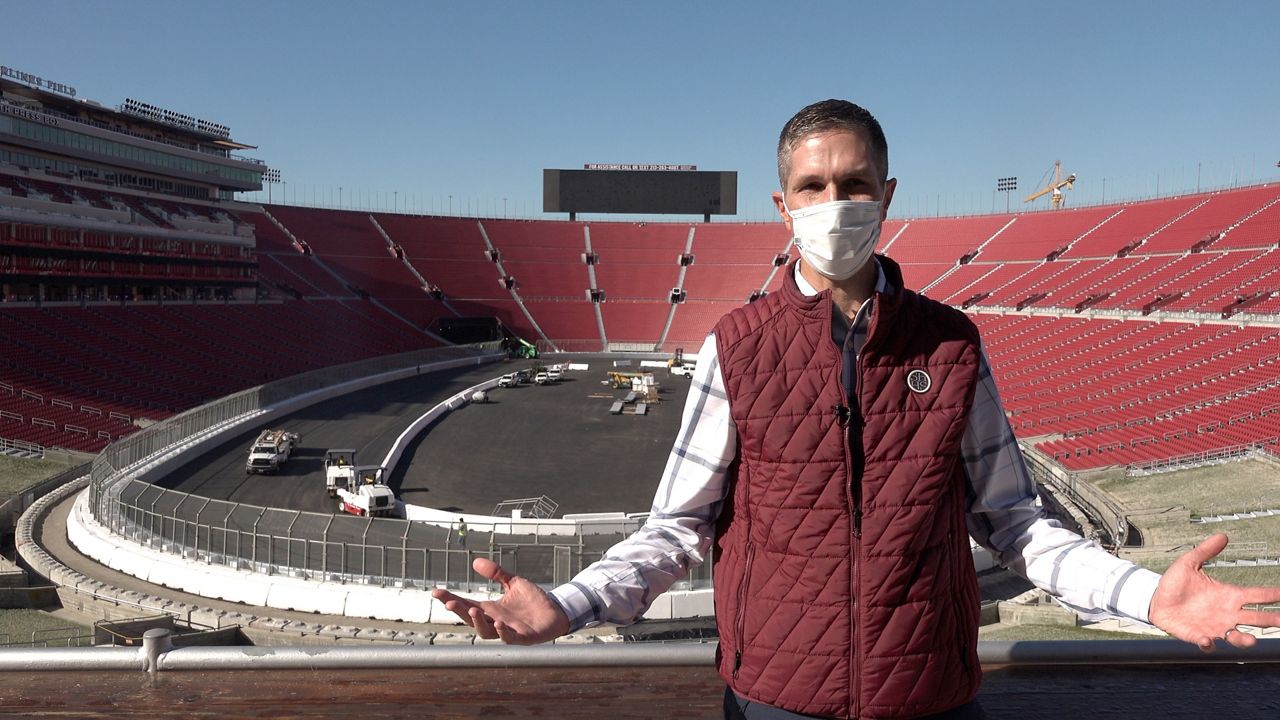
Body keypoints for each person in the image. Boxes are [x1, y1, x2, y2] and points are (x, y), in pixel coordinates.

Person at [433, 99, 1280, 720]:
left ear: (885, 195)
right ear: (784, 206)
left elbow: (1016, 522)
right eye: (813, 185)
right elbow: (676, 529)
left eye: (854, 182)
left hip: (930, 698)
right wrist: (573, 604)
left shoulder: (951, 344)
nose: (834, 201)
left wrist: (1142, 597)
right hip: (776, 700)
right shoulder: (738, 343)